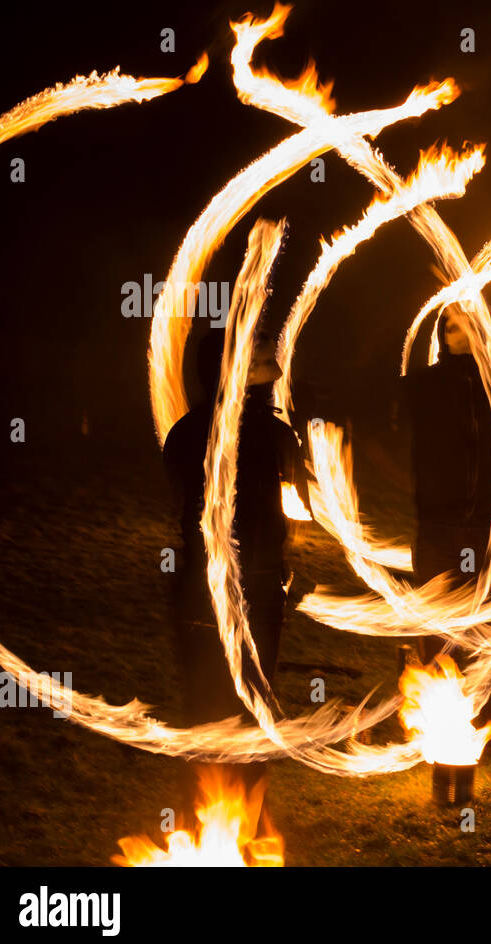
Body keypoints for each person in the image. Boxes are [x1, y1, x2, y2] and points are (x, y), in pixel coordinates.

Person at [163, 323, 309, 811]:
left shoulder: (189, 429)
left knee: (225, 698)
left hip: (228, 582)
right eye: (257, 358)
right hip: (230, 582)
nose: (269, 366)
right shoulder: (267, 432)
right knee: (237, 697)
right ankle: (230, 808)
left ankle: (223, 810)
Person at [403, 309, 491, 762]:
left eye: (468, 328)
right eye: (451, 329)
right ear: (443, 336)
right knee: (442, 626)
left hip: (487, 525)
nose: (460, 336)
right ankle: (441, 721)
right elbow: (399, 438)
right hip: (438, 525)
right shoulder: (422, 384)